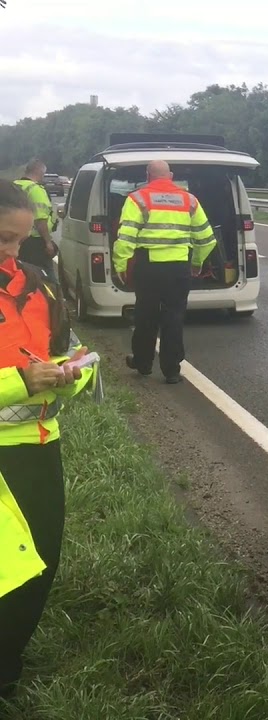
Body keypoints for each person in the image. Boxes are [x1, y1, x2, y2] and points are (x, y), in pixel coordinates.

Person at [0, 181, 98, 698]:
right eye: (2, 239)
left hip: (41, 445)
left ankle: (7, 662)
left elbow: (75, 354)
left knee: (40, 562)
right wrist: (22, 382)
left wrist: (68, 375)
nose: (12, 251)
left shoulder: (40, 285)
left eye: (17, 239)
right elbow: (23, 376)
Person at [114, 160, 217, 384]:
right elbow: (207, 239)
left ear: (148, 175)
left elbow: (126, 237)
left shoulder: (137, 199)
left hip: (148, 267)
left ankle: (143, 363)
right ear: (170, 175)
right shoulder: (189, 200)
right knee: (174, 317)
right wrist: (197, 262)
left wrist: (120, 264)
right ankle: (172, 371)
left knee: (145, 315)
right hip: (179, 267)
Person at [11, 159, 56, 279]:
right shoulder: (36, 190)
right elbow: (40, 220)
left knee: (19, 271)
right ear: (39, 172)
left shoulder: (13, 186)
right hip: (35, 241)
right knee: (46, 273)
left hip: (13, 239)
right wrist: (48, 242)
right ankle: (52, 296)